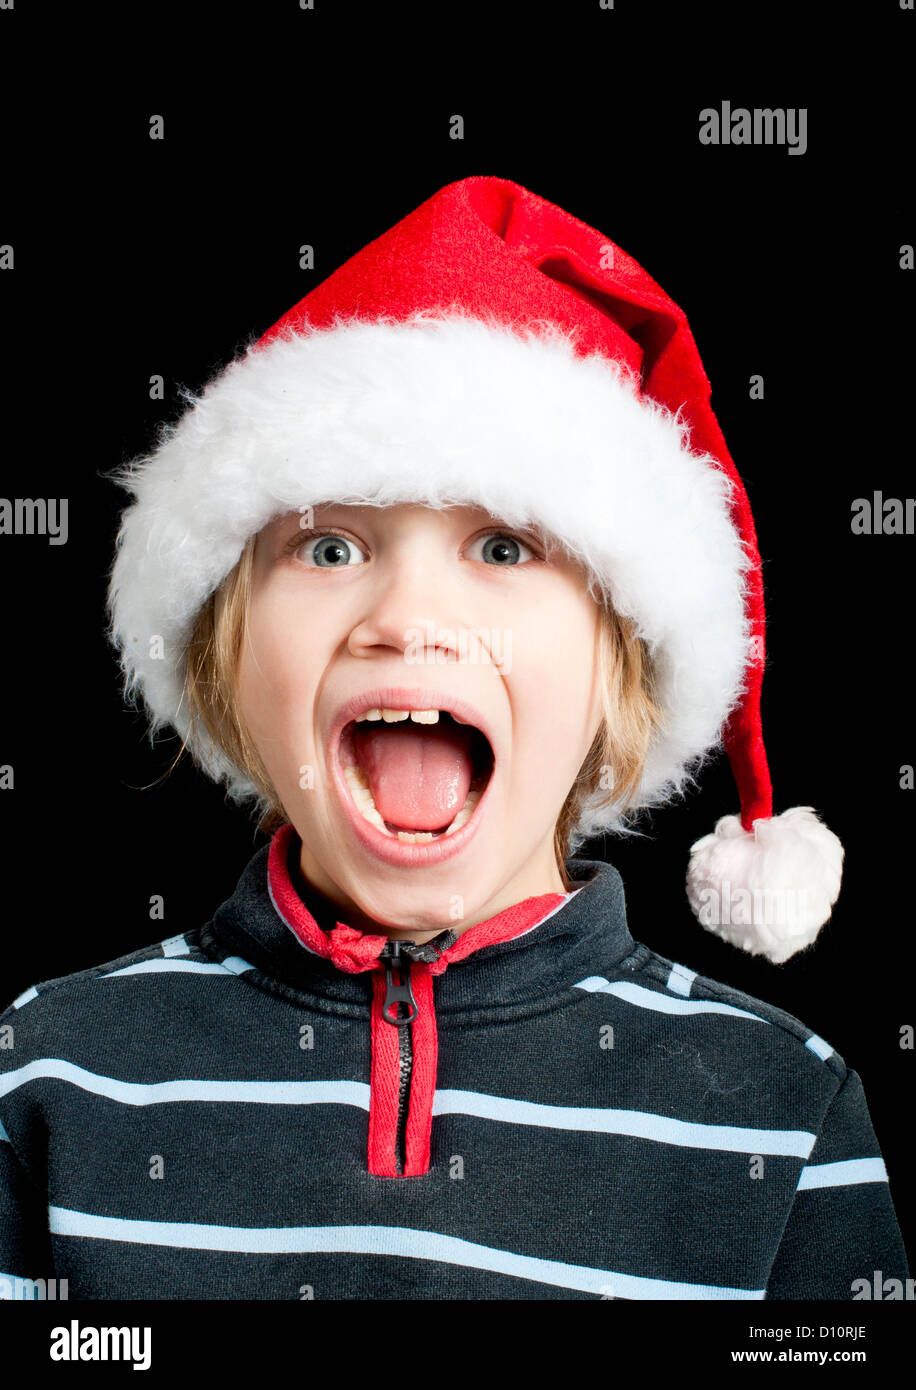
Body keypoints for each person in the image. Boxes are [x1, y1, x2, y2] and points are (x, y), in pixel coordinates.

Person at [0, 177, 908, 1300]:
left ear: (620, 659)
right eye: (330, 549)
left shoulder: (780, 1106)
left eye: (506, 548)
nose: (405, 619)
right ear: (224, 655)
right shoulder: (45, 1071)